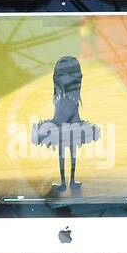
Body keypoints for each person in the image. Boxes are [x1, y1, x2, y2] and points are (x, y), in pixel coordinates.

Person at [31, 55, 100, 194]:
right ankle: (70, 181)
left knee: (64, 153)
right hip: (69, 123)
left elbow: (63, 110)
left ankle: (66, 182)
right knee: (70, 152)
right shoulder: (71, 95)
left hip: (64, 123)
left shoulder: (62, 96)